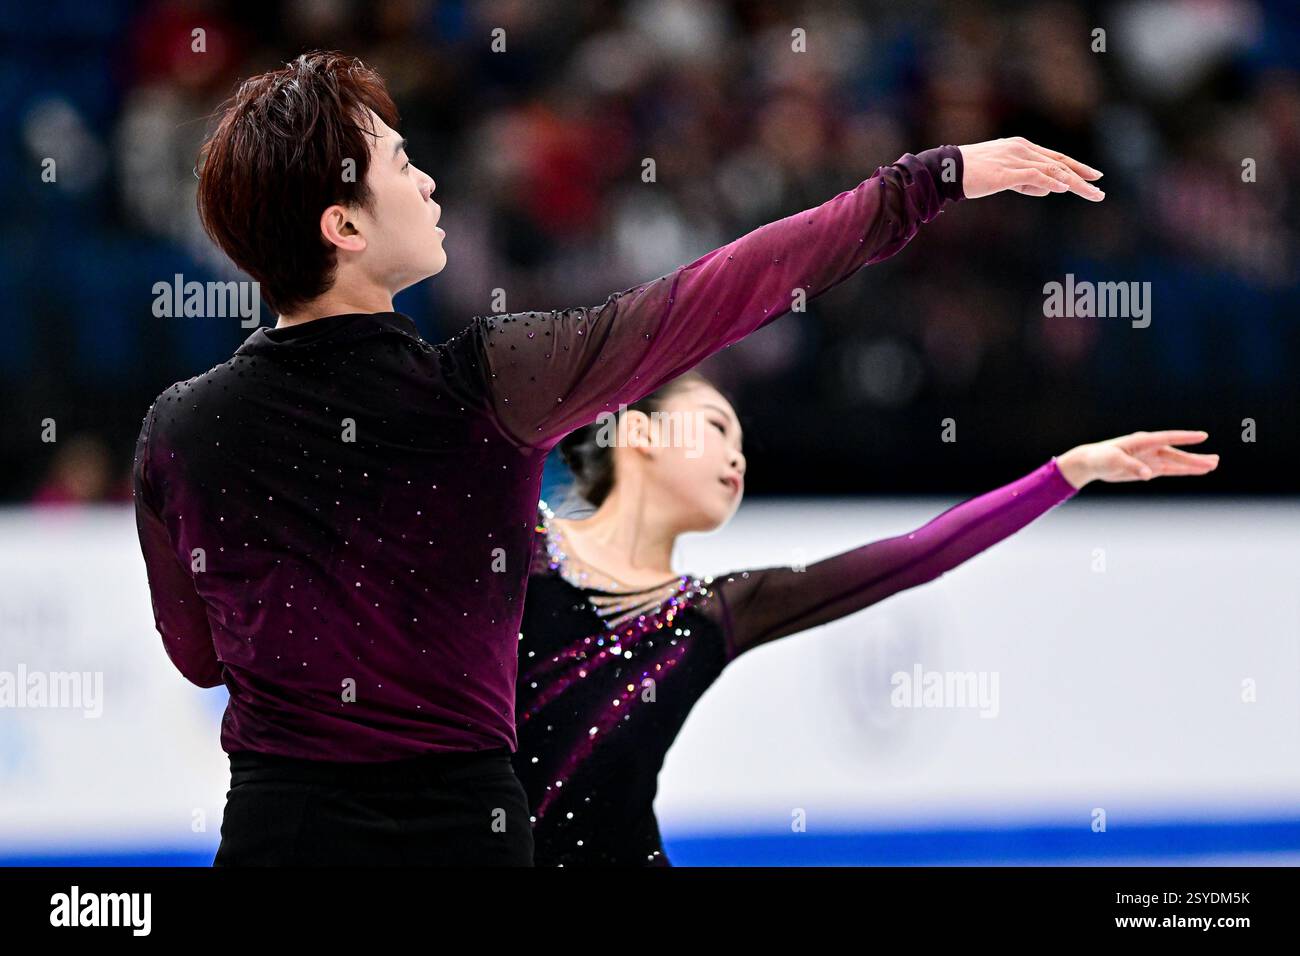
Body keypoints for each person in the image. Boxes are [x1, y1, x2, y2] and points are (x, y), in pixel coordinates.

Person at [131, 49, 1102, 865]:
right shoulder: (494, 382)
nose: (428, 179)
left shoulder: (176, 431)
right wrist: (922, 183)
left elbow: (198, 652)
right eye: (397, 163)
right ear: (342, 226)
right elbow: (724, 292)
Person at [513, 372, 1219, 865]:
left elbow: (915, 556)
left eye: (742, 445)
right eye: (716, 426)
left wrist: (1068, 472)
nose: (736, 455)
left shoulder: (712, 613)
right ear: (638, 430)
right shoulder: (520, 542)